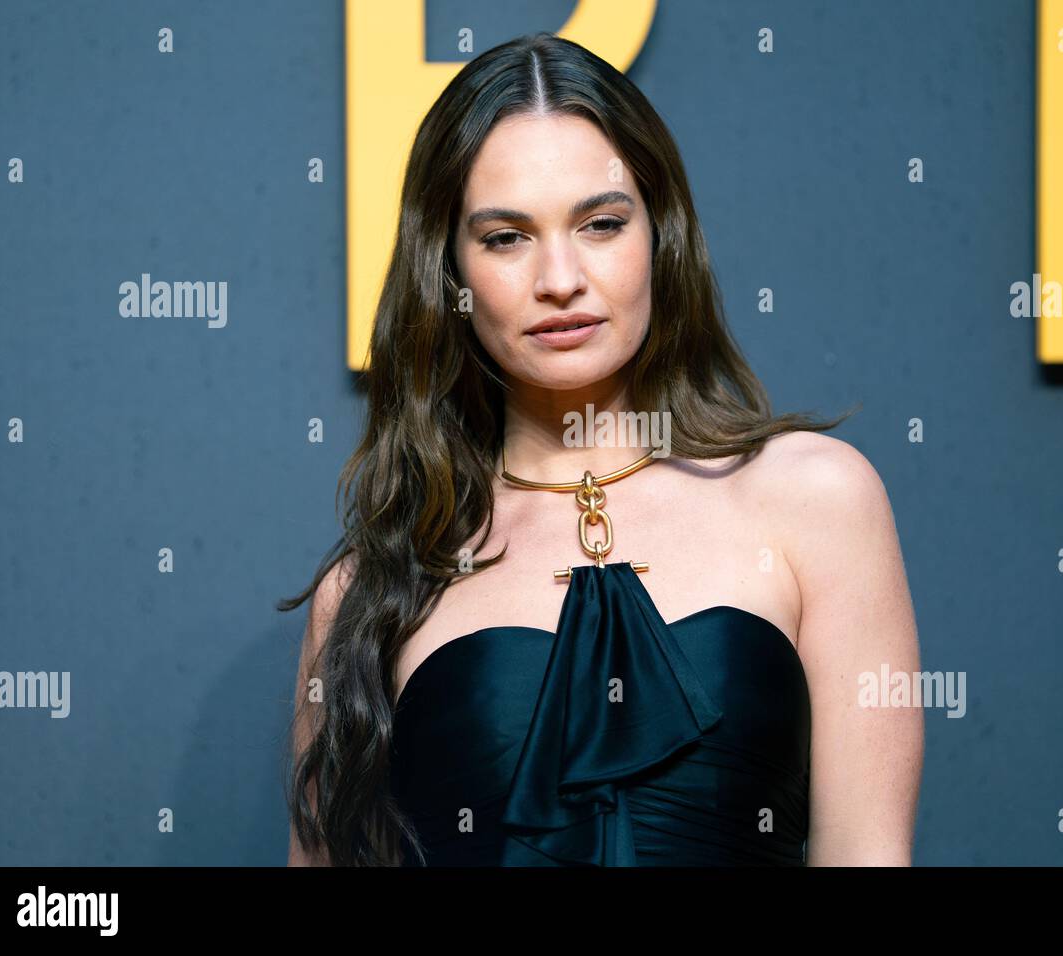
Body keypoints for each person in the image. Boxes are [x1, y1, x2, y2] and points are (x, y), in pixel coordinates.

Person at [282, 31, 921, 866]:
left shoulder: (819, 501)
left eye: (602, 223)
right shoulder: (371, 588)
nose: (559, 277)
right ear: (450, 273)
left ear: (662, 234)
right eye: (506, 237)